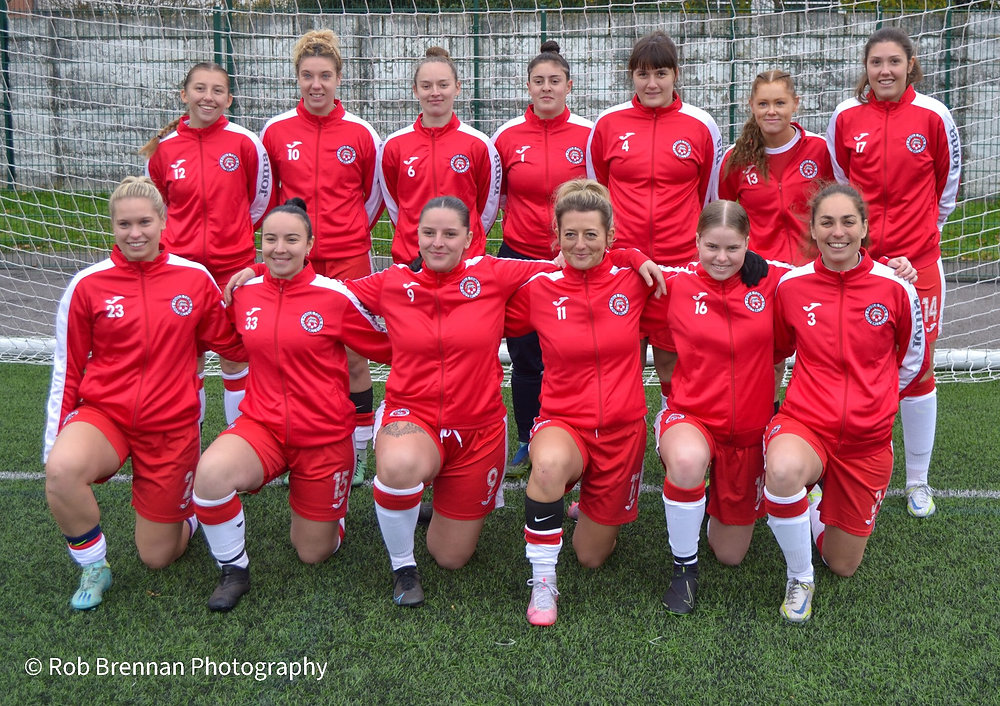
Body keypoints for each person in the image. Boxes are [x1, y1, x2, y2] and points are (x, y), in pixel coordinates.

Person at [342, 196, 660, 608]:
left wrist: (631, 256)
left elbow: (598, 266)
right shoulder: (395, 281)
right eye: (429, 233)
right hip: (422, 413)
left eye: (450, 234)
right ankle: (405, 565)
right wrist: (265, 272)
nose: (439, 242)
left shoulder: (504, 274)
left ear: (471, 238)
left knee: (459, 557)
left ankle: (438, 503)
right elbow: (328, 295)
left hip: (494, 426)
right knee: (403, 466)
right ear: (414, 236)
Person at [43, 176, 243, 610]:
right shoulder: (87, 285)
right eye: (124, 224)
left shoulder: (194, 279)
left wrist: (259, 293)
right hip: (105, 415)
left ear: (163, 222)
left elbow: (233, 344)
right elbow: (68, 368)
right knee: (61, 471)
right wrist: (53, 440)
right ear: (111, 226)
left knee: (158, 557)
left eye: (145, 223)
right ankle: (94, 566)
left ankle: (185, 513)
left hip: (170, 426)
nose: (135, 233)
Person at [191, 199, 392, 612]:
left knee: (312, 553)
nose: (280, 248)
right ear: (259, 244)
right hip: (262, 427)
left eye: (291, 239)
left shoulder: (335, 296)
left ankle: (329, 512)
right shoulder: (244, 293)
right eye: (270, 240)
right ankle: (234, 569)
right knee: (209, 476)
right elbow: (225, 339)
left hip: (323, 437)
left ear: (310, 244)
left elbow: (389, 347)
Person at [764, 183, 925, 623]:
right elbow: (778, 347)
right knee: (781, 470)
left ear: (865, 228)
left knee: (843, 564)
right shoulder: (792, 286)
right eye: (827, 222)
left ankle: (815, 502)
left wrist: (876, 406)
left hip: (866, 441)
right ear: (813, 230)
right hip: (807, 422)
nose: (838, 232)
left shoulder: (896, 287)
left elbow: (911, 362)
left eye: (848, 222)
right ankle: (799, 576)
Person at [506, 179, 664, 627]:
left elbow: (696, 280)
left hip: (623, 429)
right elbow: (483, 297)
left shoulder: (636, 280)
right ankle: (542, 581)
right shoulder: (539, 287)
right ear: (555, 237)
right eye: (570, 234)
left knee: (593, 557)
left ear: (610, 237)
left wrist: (635, 257)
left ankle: (587, 505)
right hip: (564, 422)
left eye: (591, 234)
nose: (580, 244)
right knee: (549, 466)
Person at [827, 27, 961, 518]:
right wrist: (871, 251)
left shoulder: (934, 115)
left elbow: (947, 186)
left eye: (893, 62)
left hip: (918, 264)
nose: (884, 70)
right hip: (862, 265)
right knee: (853, 360)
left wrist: (918, 238)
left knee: (918, 369)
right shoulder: (846, 116)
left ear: (910, 65)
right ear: (866, 67)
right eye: (876, 62)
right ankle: (842, 467)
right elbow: (842, 184)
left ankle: (918, 481)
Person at [647, 200, 786, 615]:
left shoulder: (773, 281)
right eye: (711, 247)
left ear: (749, 244)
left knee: (730, 554)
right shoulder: (674, 283)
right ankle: (683, 569)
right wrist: (633, 256)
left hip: (748, 433)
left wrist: (898, 267)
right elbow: (615, 269)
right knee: (688, 460)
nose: (721, 258)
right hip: (691, 417)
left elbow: (833, 270)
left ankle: (707, 504)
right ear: (695, 242)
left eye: (732, 248)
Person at [259, 30, 383, 486]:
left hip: (349, 258)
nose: (317, 84)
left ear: (339, 79)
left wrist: (347, 235)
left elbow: (373, 196)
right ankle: (294, 444)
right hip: (293, 262)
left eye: (325, 76)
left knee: (353, 358)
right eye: (308, 76)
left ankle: (358, 455)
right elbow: (265, 197)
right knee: (295, 352)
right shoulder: (273, 132)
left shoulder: (361, 133)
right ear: (297, 78)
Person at [143, 61, 272, 425]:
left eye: (217, 90)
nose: (208, 97)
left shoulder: (246, 143)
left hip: (234, 270)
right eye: (200, 88)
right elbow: (155, 208)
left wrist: (230, 235)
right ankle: (190, 448)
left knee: (236, 357)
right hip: (180, 272)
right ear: (184, 95)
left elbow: (259, 201)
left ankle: (239, 441)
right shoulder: (164, 149)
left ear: (229, 99)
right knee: (188, 357)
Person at [491, 41, 594, 472]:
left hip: (574, 259)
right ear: (528, 87)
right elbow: (490, 198)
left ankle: (580, 434)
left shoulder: (590, 135)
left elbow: (602, 198)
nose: (547, 88)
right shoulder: (506, 136)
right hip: (521, 261)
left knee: (575, 354)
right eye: (539, 81)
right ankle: (526, 437)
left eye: (555, 81)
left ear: (569, 86)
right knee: (526, 357)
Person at [586, 30, 722, 267]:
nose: (651, 84)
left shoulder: (703, 125)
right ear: (632, 76)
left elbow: (709, 195)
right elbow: (598, 192)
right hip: (622, 257)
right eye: (642, 74)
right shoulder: (607, 123)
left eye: (660, 74)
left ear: (675, 74)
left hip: (683, 257)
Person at [377, 47, 501, 265]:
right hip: (410, 259)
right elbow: (394, 204)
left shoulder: (479, 144)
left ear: (457, 88)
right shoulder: (394, 145)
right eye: (426, 86)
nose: (435, 92)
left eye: (443, 85)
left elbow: (487, 207)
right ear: (415, 90)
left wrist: (461, 240)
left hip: (465, 260)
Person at [718, 70, 833, 265]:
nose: (771, 111)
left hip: (811, 270)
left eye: (780, 103)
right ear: (752, 105)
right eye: (763, 104)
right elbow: (721, 216)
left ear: (795, 103)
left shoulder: (820, 149)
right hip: (758, 273)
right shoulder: (736, 158)